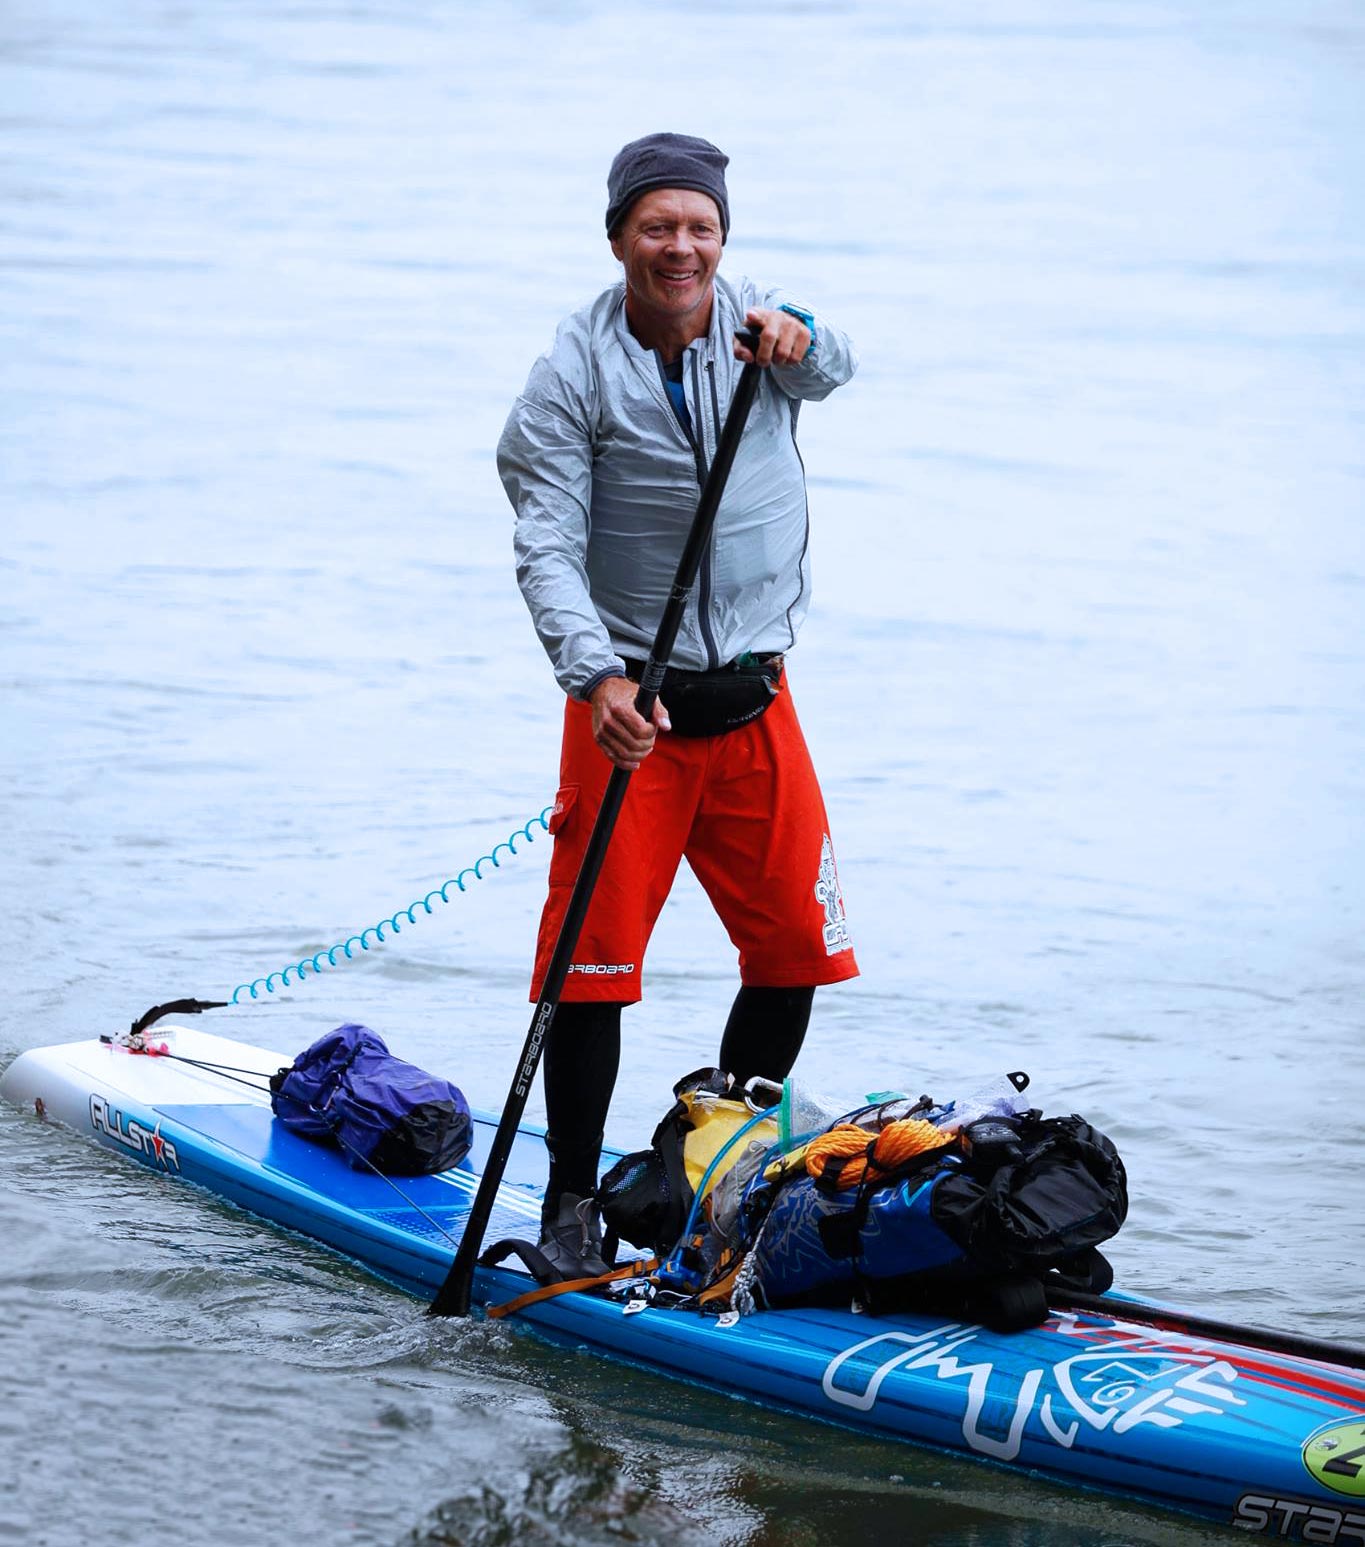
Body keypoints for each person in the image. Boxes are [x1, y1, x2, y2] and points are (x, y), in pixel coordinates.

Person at [497, 132, 859, 1279]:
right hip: (631, 715)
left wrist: (801, 334)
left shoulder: (762, 325)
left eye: (700, 226)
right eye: (658, 226)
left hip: (755, 700)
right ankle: (568, 1201)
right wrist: (593, 677)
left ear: (722, 239)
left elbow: (833, 362)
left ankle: (725, 1171)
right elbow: (545, 541)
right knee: (590, 967)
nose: (682, 245)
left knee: (795, 946)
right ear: (619, 241)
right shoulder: (571, 371)